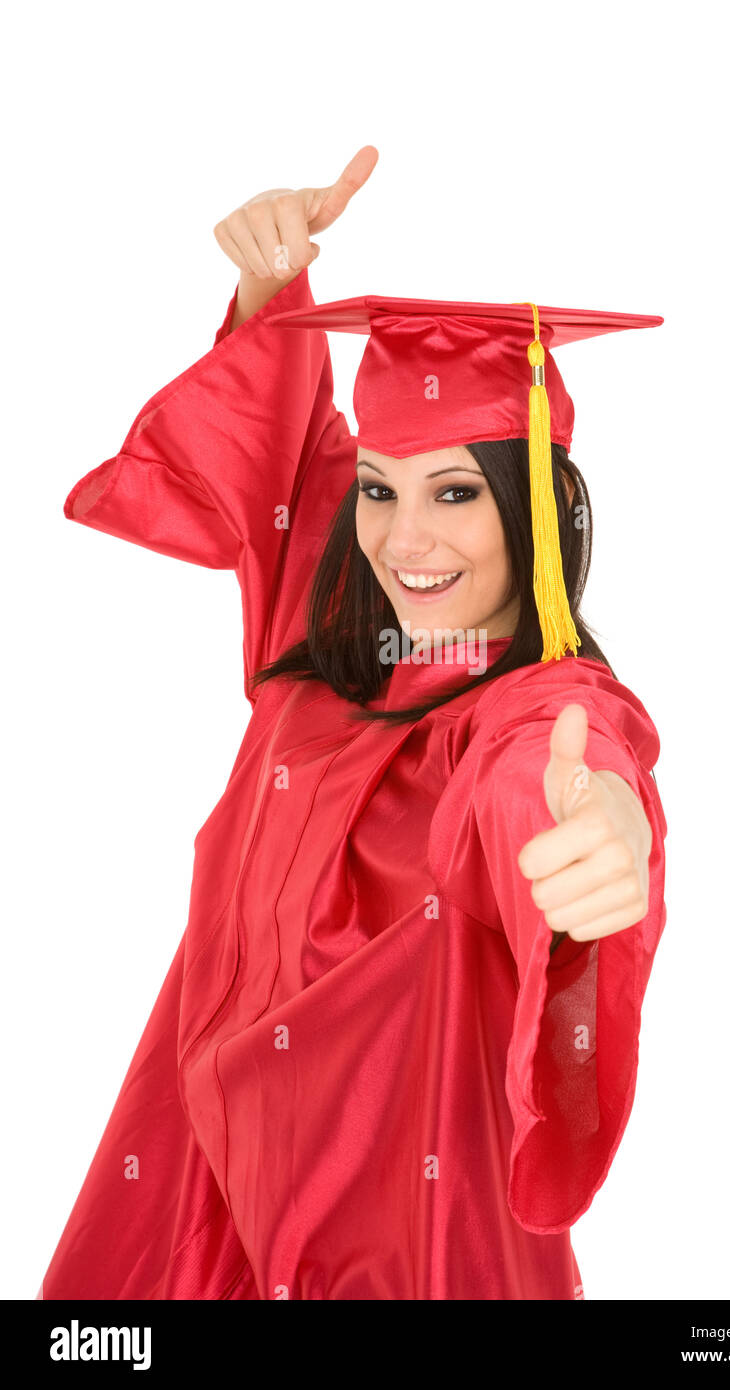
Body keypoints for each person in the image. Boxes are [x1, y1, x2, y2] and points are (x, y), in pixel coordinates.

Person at [39, 147, 668, 1301]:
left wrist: (601, 832)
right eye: (381, 486)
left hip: (400, 1233)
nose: (406, 542)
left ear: (536, 506)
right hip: (199, 1191)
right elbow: (277, 456)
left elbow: (551, 763)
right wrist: (264, 296)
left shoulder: (528, 705)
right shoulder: (327, 624)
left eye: (457, 491)